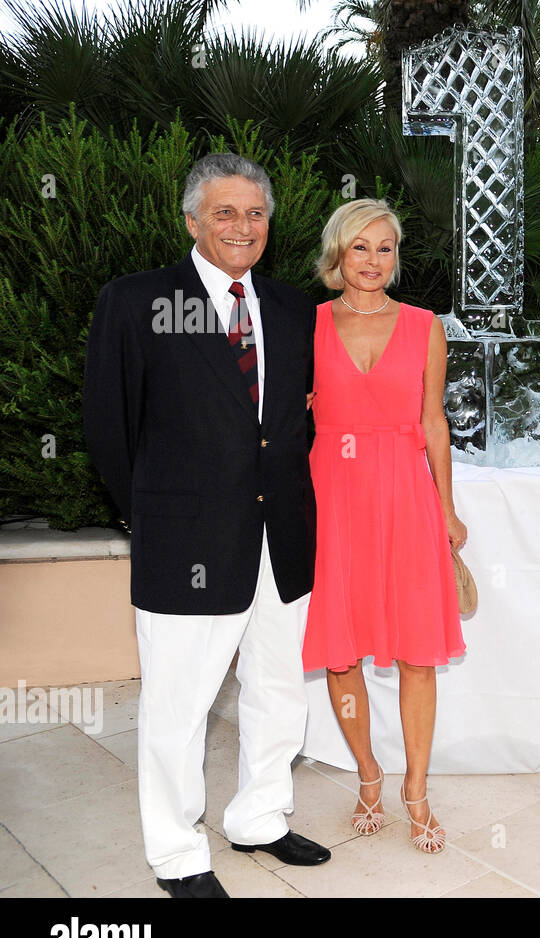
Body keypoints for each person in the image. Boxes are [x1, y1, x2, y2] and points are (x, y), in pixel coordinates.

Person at [83, 153, 331, 898]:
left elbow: (295, 423)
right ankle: (177, 852)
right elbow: (108, 424)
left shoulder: (292, 308)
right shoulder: (138, 301)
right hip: (185, 540)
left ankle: (260, 814)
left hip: (281, 538)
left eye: (255, 213)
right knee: (179, 705)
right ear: (192, 220)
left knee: (279, 690)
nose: (241, 226)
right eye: (225, 212)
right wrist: (151, 514)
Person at [302, 199, 467, 853]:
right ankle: (368, 773)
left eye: (385, 248)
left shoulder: (425, 325)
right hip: (333, 495)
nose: (373, 260)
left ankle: (416, 789)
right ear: (338, 253)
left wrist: (447, 507)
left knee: (417, 652)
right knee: (341, 651)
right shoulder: (308, 324)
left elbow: (434, 421)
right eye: (360, 247)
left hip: (405, 494)